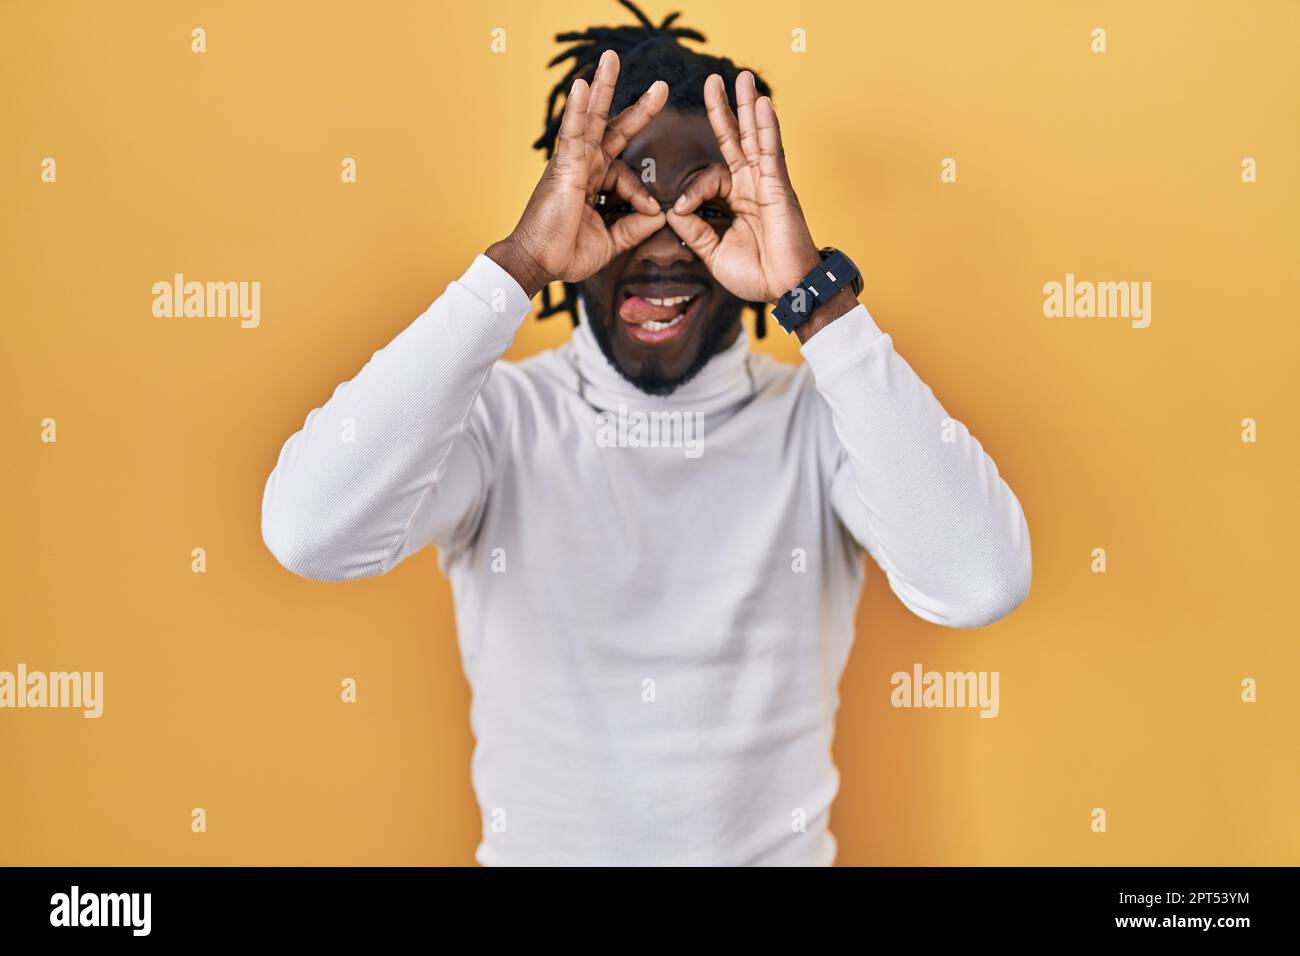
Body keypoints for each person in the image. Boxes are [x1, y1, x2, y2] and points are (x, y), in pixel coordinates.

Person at [261, 1, 1031, 866]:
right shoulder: (501, 422)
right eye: (618, 200)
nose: (664, 249)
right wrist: (519, 264)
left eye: (705, 206)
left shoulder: (820, 427)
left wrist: (814, 297)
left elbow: (979, 581)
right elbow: (311, 533)